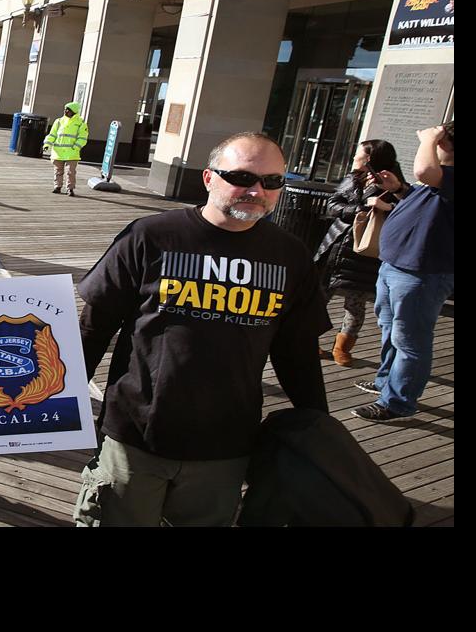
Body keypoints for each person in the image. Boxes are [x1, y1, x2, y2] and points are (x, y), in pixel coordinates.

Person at [72, 131, 329, 526]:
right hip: (134, 438)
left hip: (226, 449)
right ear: (208, 178)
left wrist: (319, 431)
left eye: (273, 181)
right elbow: (94, 328)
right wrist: (54, 404)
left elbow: (298, 354)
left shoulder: (291, 257)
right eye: (242, 177)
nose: (257, 190)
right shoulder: (150, 236)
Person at [352, 122, 454, 422]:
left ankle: (398, 402)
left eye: (440, 139)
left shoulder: (443, 175)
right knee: (389, 329)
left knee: (410, 340)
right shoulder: (440, 181)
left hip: (422, 274)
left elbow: (424, 171)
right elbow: (422, 199)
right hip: (395, 266)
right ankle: (387, 383)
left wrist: (429, 138)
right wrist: (397, 189)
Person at [313, 138, 402, 366]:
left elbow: (400, 216)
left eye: (358, 155)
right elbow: (332, 205)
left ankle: (342, 347)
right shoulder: (353, 178)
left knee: (355, 303)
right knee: (318, 298)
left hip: (363, 252)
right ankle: (309, 340)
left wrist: (385, 204)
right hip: (335, 245)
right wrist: (359, 208)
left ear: (370, 159)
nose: (353, 158)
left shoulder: (393, 184)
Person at [45, 101, 89, 196]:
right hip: (58, 152)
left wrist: (76, 147)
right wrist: (47, 144)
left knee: (71, 172)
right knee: (58, 171)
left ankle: (70, 189)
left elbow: (83, 137)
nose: (65, 111)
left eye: (68, 110)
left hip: (72, 153)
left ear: (74, 111)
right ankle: (57, 187)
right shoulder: (59, 121)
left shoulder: (81, 123)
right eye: (65, 109)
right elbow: (52, 134)